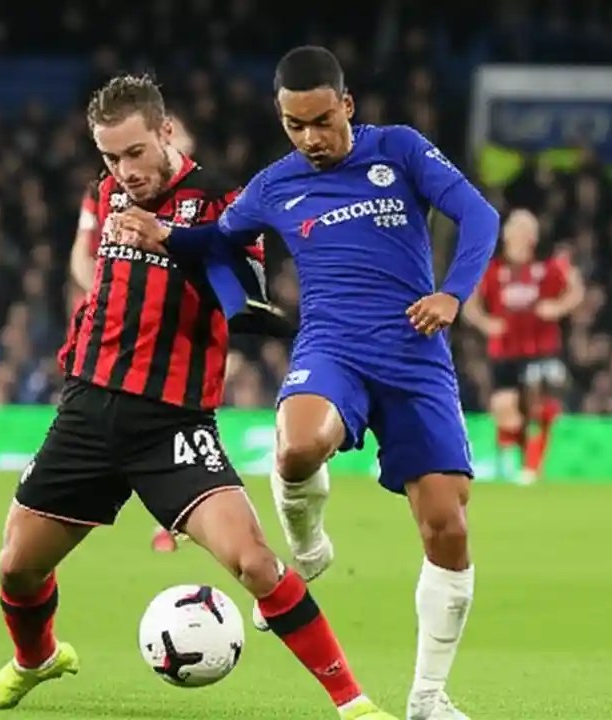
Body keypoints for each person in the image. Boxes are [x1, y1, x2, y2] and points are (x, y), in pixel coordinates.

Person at [0, 74, 397, 720]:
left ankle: (352, 701)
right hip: (88, 411)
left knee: (256, 562)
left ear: (166, 132)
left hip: (172, 425)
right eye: (110, 158)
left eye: (135, 153)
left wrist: (176, 248)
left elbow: (247, 296)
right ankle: (38, 659)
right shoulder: (108, 195)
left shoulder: (224, 202)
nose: (123, 171)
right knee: (15, 569)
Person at [109, 47, 499, 720]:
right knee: (294, 448)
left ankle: (428, 698)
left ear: (346, 105)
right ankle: (309, 546)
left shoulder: (399, 151)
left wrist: (455, 294)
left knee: (447, 528)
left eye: (321, 120)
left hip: (415, 351)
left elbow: (480, 217)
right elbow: (218, 241)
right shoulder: (275, 186)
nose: (311, 138)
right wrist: (165, 234)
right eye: (295, 124)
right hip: (333, 347)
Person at [67, 111, 199, 554]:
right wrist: (109, 297)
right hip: (112, 336)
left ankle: (173, 518)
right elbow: (82, 259)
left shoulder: (206, 200)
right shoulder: (102, 194)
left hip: (182, 342)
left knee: (171, 429)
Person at [462, 209, 584, 484]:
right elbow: (469, 302)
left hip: (540, 350)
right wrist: (486, 323)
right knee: (504, 407)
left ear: (533, 237)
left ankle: (531, 465)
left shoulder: (546, 268)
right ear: (506, 235)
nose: (520, 235)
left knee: (539, 405)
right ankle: (510, 462)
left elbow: (576, 289)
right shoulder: (494, 270)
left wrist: (559, 307)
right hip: (504, 351)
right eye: (515, 229)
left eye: (526, 230)